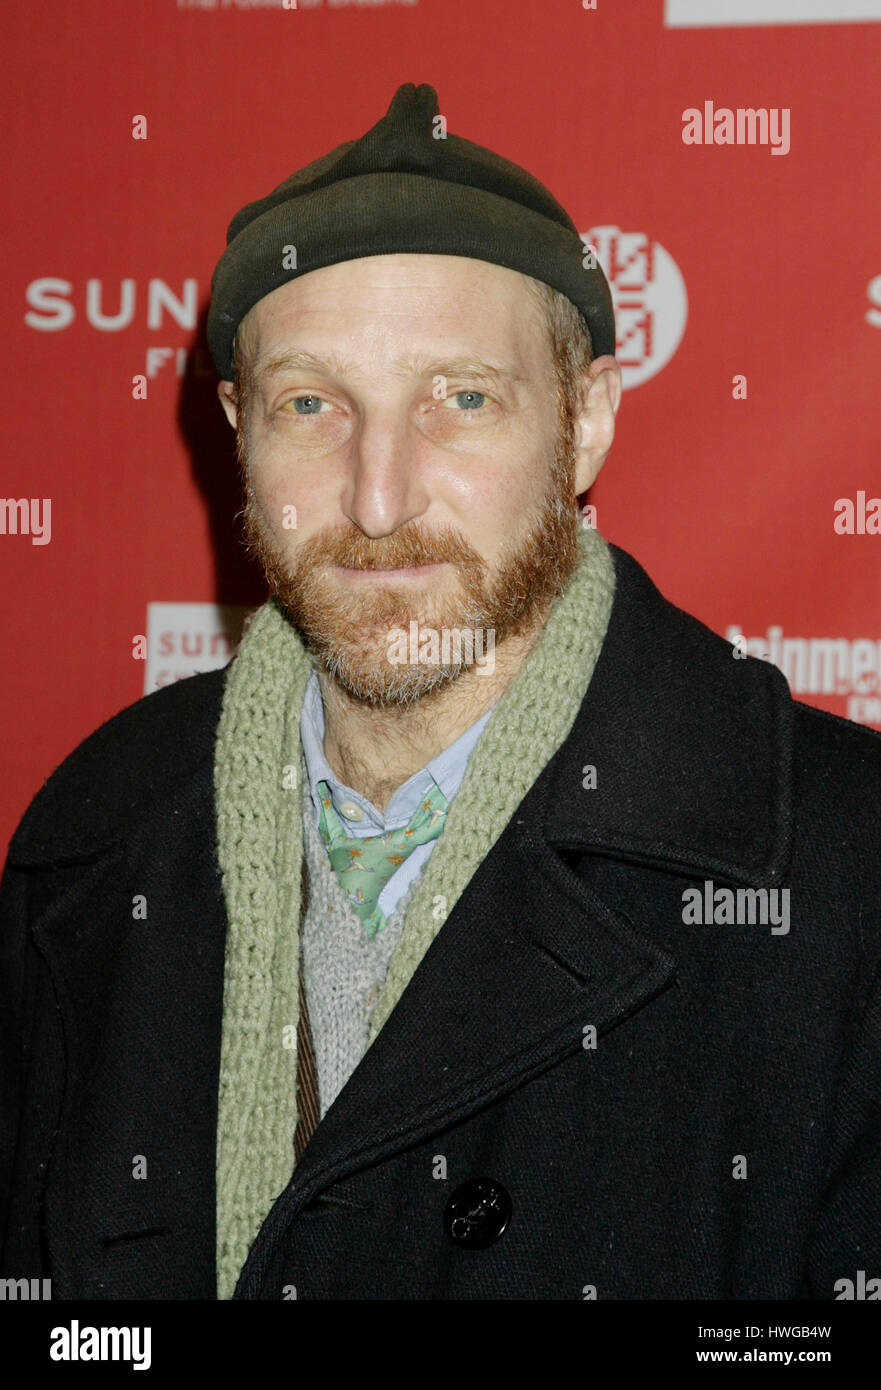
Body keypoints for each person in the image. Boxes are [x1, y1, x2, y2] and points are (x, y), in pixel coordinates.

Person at [1, 82, 879, 1303]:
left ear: (584, 425)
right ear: (235, 429)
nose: (376, 498)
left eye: (460, 398)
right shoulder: (91, 841)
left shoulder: (840, 872)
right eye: (311, 405)